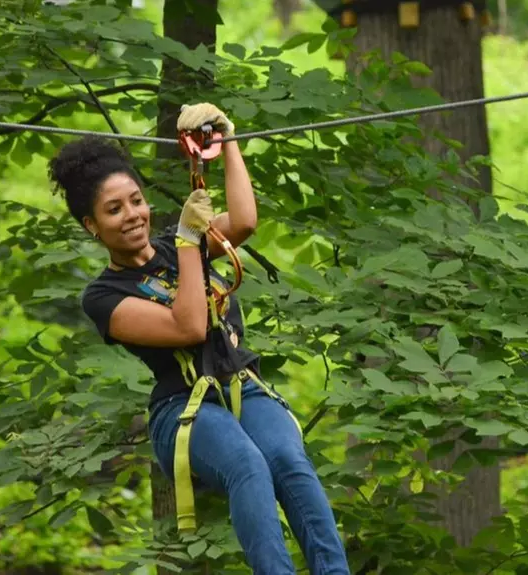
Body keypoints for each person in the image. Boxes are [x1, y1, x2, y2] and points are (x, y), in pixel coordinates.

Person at [47, 102, 351, 575]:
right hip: (182, 409)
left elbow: (245, 222)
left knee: (288, 459)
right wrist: (190, 241)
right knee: (247, 465)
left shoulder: (174, 244)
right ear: (93, 227)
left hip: (240, 384)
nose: (132, 214)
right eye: (113, 209)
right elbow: (187, 327)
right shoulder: (104, 296)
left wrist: (226, 141)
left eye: (135, 200)